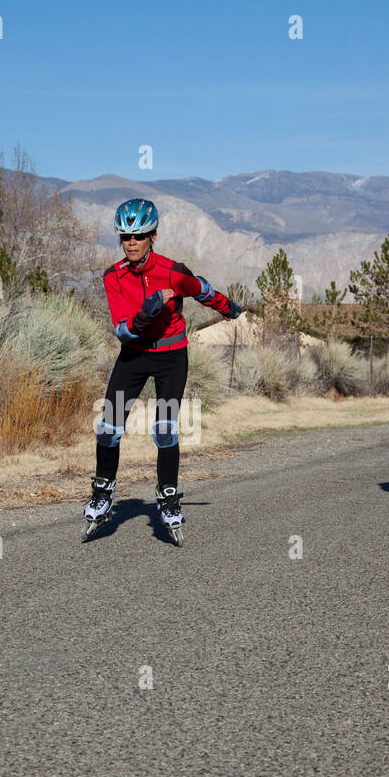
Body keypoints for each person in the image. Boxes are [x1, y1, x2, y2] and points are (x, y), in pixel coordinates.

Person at [82, 198, 245, 542]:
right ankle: (102, 492)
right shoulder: (113, 276)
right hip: (134, 355)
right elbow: (123, 331)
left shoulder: (172, 272)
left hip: (172, 357)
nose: (131, 243)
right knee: (108, 428)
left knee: (165, 430)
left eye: (138, 236)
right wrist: (147, 312)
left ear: (153, 236)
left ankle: (168, 499)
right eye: (125, 237)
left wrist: (229, 308)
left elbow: (202, 290)